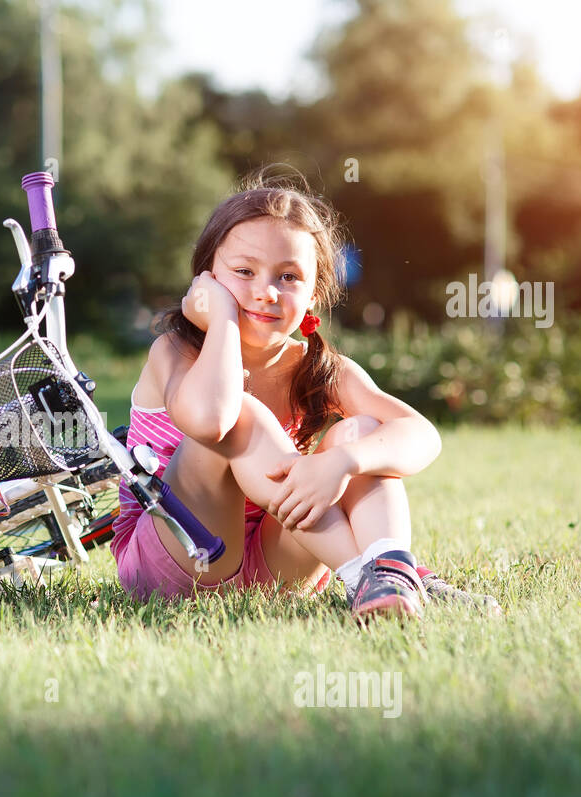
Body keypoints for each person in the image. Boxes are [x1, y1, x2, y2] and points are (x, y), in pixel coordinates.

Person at [110, 169, 501, 622]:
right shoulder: (175, 352)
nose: (266, 292)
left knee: (363, 433)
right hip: (176, 558)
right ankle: (365, 576)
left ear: (314, 294)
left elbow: (423, 435)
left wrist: (343, 461)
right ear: (207, 279)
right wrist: (221, 320)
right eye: (243, 272)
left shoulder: (318, 368)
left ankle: (388, 573)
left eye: (289, 276)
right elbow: (212, 420)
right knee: (243, 416)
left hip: (280, 568)